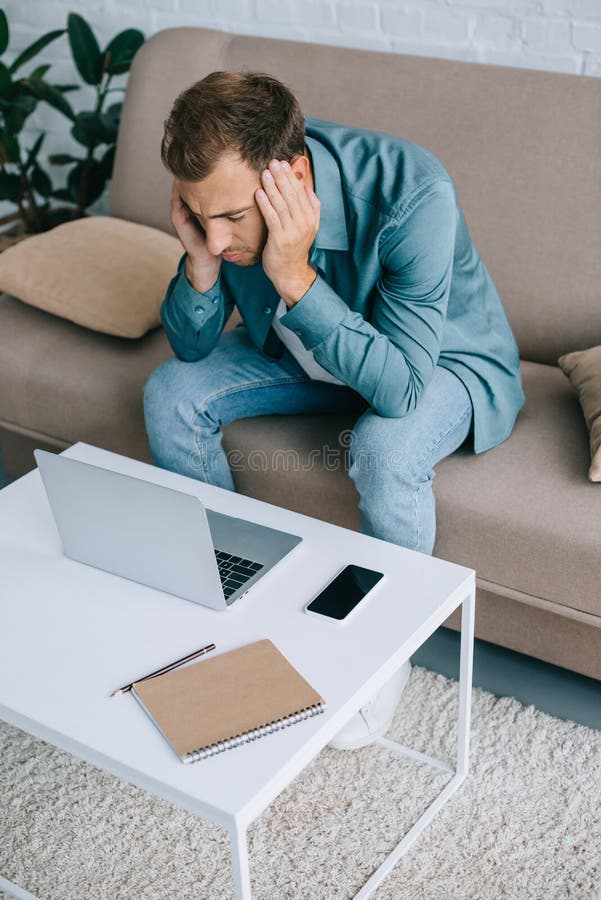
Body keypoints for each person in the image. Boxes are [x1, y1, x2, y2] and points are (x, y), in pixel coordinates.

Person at [143, 71, 525, 750]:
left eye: (232, 218)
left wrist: (293, 275)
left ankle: (380, 651)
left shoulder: (413, 193)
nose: (220, 237)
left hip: (439, 364)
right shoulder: (221, 215)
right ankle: (224, 590)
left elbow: (400, 391)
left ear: (292, 178)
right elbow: (191, 348)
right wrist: (200, 265)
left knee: (384, 447)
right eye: (200, 216)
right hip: (310, 354)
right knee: (170, 392)